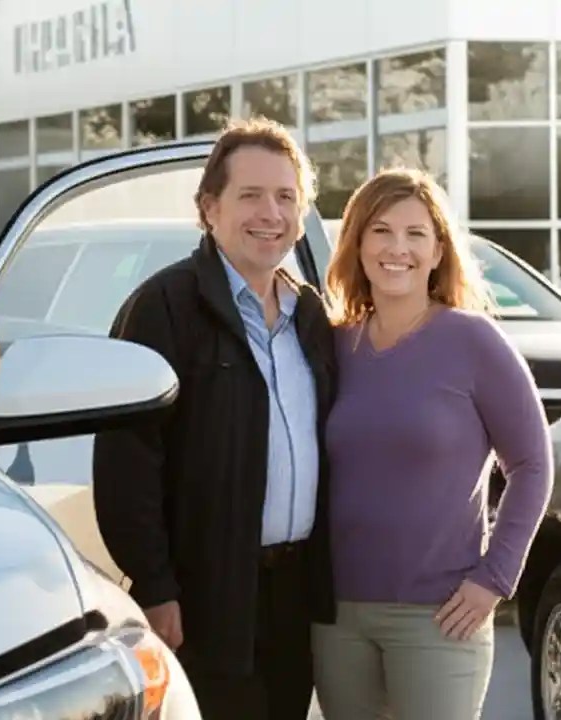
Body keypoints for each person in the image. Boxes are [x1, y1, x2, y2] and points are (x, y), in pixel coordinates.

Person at [92, 116, 337, 720]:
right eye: (249, 195)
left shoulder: (312, 315)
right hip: (204, 595)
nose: (270, 214)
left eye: (286, 197)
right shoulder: (162, 308)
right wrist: (154, 587)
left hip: (296, 594)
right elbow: (127, 466)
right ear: (209, 208)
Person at [313, 167, 553, 719]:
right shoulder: (333, 345)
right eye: (380, 230)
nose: (397, 248)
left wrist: (496, 577)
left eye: (415, 233)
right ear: (357, 242)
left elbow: (532, 464)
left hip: (440, 615)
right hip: (336, 616)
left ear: (439, 249)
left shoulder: (473, 341)